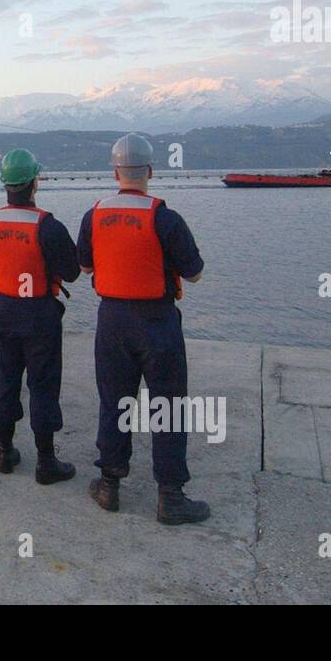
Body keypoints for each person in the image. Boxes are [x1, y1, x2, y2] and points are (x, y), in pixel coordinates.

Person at [77, 134, 209, 525]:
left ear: (115, 171)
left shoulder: (94, 215)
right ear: (150, 171)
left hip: (112, 321)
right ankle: (170, 496)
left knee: (114, 401)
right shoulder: (165, 218)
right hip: (158, 322)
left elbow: (84, 267)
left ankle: (109, 484)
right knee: (167, 406)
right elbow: (195, 273)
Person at [0, 149, 80, 484]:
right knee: (43, 385)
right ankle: (46, 462)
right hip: (38, 313)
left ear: (6, 184)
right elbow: (72, 271)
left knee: (7, 380)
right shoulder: (48, 225)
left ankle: (5, 453)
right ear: (34, 183)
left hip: (5, 310)